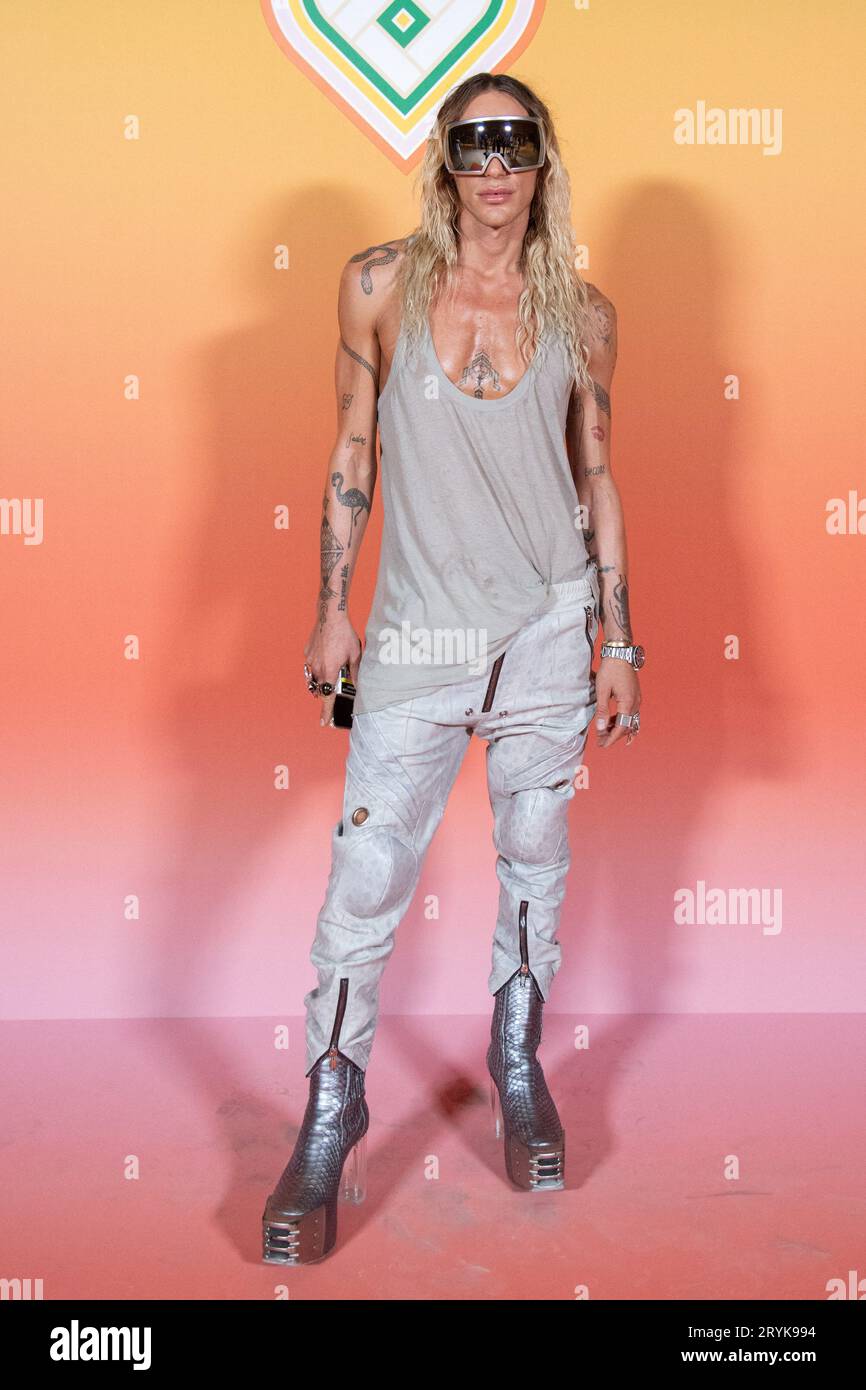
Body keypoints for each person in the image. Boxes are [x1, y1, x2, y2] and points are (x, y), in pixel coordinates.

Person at [262, 72, 644, 1265]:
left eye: (512, 142)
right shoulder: (378, 286)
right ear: (445, 160)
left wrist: (617, 637)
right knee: (364, 878)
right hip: (416, 632)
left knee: (535, 863)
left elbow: (595, 478)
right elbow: (349, 447)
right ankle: (332, 1106)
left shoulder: (582, 314)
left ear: (540, 159)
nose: (492, 164)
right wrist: (331, 607)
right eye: (472, 141)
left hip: (543, 627)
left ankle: (514, 1061)